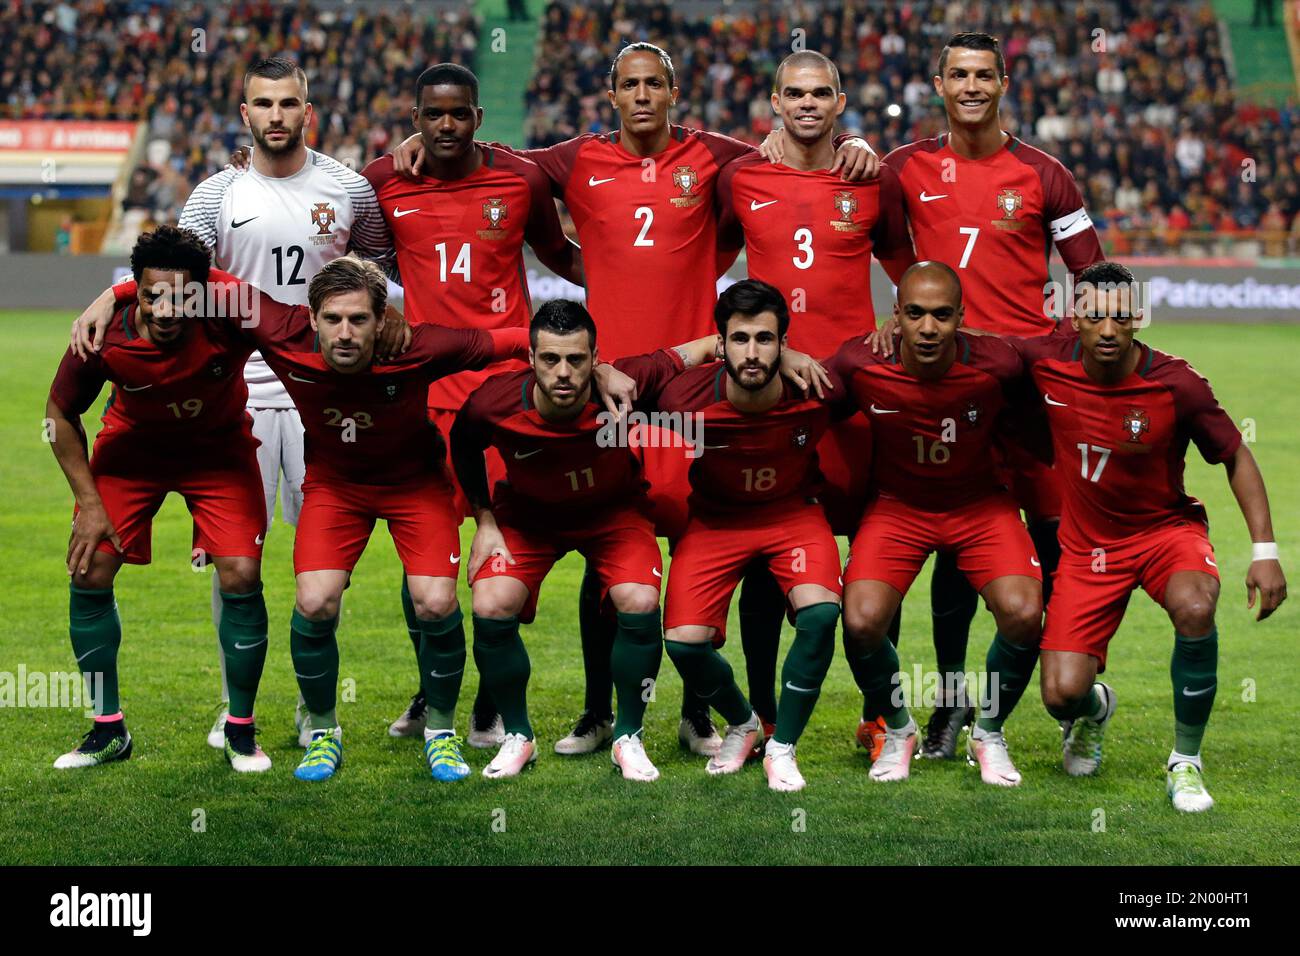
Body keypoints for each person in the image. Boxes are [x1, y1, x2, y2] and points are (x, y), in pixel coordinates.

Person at [393, 42, 875, 758]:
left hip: (690, 393)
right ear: (612, 94)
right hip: (607, 392)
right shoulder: (573, 161)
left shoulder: (715, 156)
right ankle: (596, 712)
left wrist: (855, 138)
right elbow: (491, 155)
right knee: (605, 552)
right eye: (630, 84)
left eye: (655, 83)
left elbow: (799, 144)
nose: (643, 95)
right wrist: (418, 141)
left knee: (696, 545)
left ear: (674, 90)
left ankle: (697, 714)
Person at [1017, 261, 1287, 811]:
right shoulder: (1043, 363)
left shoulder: (1177, 384)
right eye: (1095, 317)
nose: (1109, 330)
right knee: (1060, 694)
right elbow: (968, 349)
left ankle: (1185, 763)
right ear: (1076, 318)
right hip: (1089, 549)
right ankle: (1094, 711)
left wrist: (1265, 551)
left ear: (1138, 316)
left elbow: (1235, 454)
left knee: (1195, 606)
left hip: (1167, 534)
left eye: (1120, 317)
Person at [714, 50, 915, 741]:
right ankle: (764, 713)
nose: (806, 104)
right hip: (776, 397)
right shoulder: (741, 175)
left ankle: (880, 715)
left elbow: (908, 268)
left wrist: (900, 320)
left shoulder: (872, 178)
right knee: (767, 556)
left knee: (877, 552)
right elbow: (701, 261)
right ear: (774, 100)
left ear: (839, 100)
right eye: (794, 93)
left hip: (857, 397)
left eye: (820, 94)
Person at [450, 301, 720, 780]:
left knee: (637, 598)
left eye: (576, 359)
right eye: (550, 359)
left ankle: (628, 736)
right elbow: (463, 442)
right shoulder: (495, 402)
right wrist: (485, 520)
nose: (563, 372)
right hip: (530, 517)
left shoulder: (627, 381)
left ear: (596, 357)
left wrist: (782, 352)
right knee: (491, 601)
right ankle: (517, 735)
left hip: (613, 514)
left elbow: (693, 352)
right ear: (530, 359)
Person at [47, 226, 272, 773]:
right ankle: (107, 730)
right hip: (133, 452)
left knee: (241, 574)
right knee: (90, 572)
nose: (167, 310)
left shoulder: (231, 313)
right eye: (151, 296)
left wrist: (120, 290)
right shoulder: (103, 334)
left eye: (182, 297)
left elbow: (282, 316)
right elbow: (57, 417)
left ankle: (241, 730)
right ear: (136, 290)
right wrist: (91, 503)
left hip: (218, 451)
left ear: (206, 293)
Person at [829, 262, 1044, 786]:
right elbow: (803, 393)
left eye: (942, 316)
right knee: (859, 622)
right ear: (895, 315)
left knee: (1024, 613)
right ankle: (900, 729)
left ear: (962, 319)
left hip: (980, 506)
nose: (928, 329)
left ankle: (989, 733)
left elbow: (1055, 369)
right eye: (916, 314)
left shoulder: (1000, 363)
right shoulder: (861, 362)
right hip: (897, 507)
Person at [656, 280, 844, 792]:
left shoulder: (818, 388)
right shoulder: (683, 397)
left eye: (765, 339)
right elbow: (631, 377)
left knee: (822, 612)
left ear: (785, 343)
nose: (752, 352)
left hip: (791, 515)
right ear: (721, 344)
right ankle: (743, 722)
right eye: (740, 339)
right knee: (684, 644)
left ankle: (781, 745)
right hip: (716, 521)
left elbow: (867, 380)